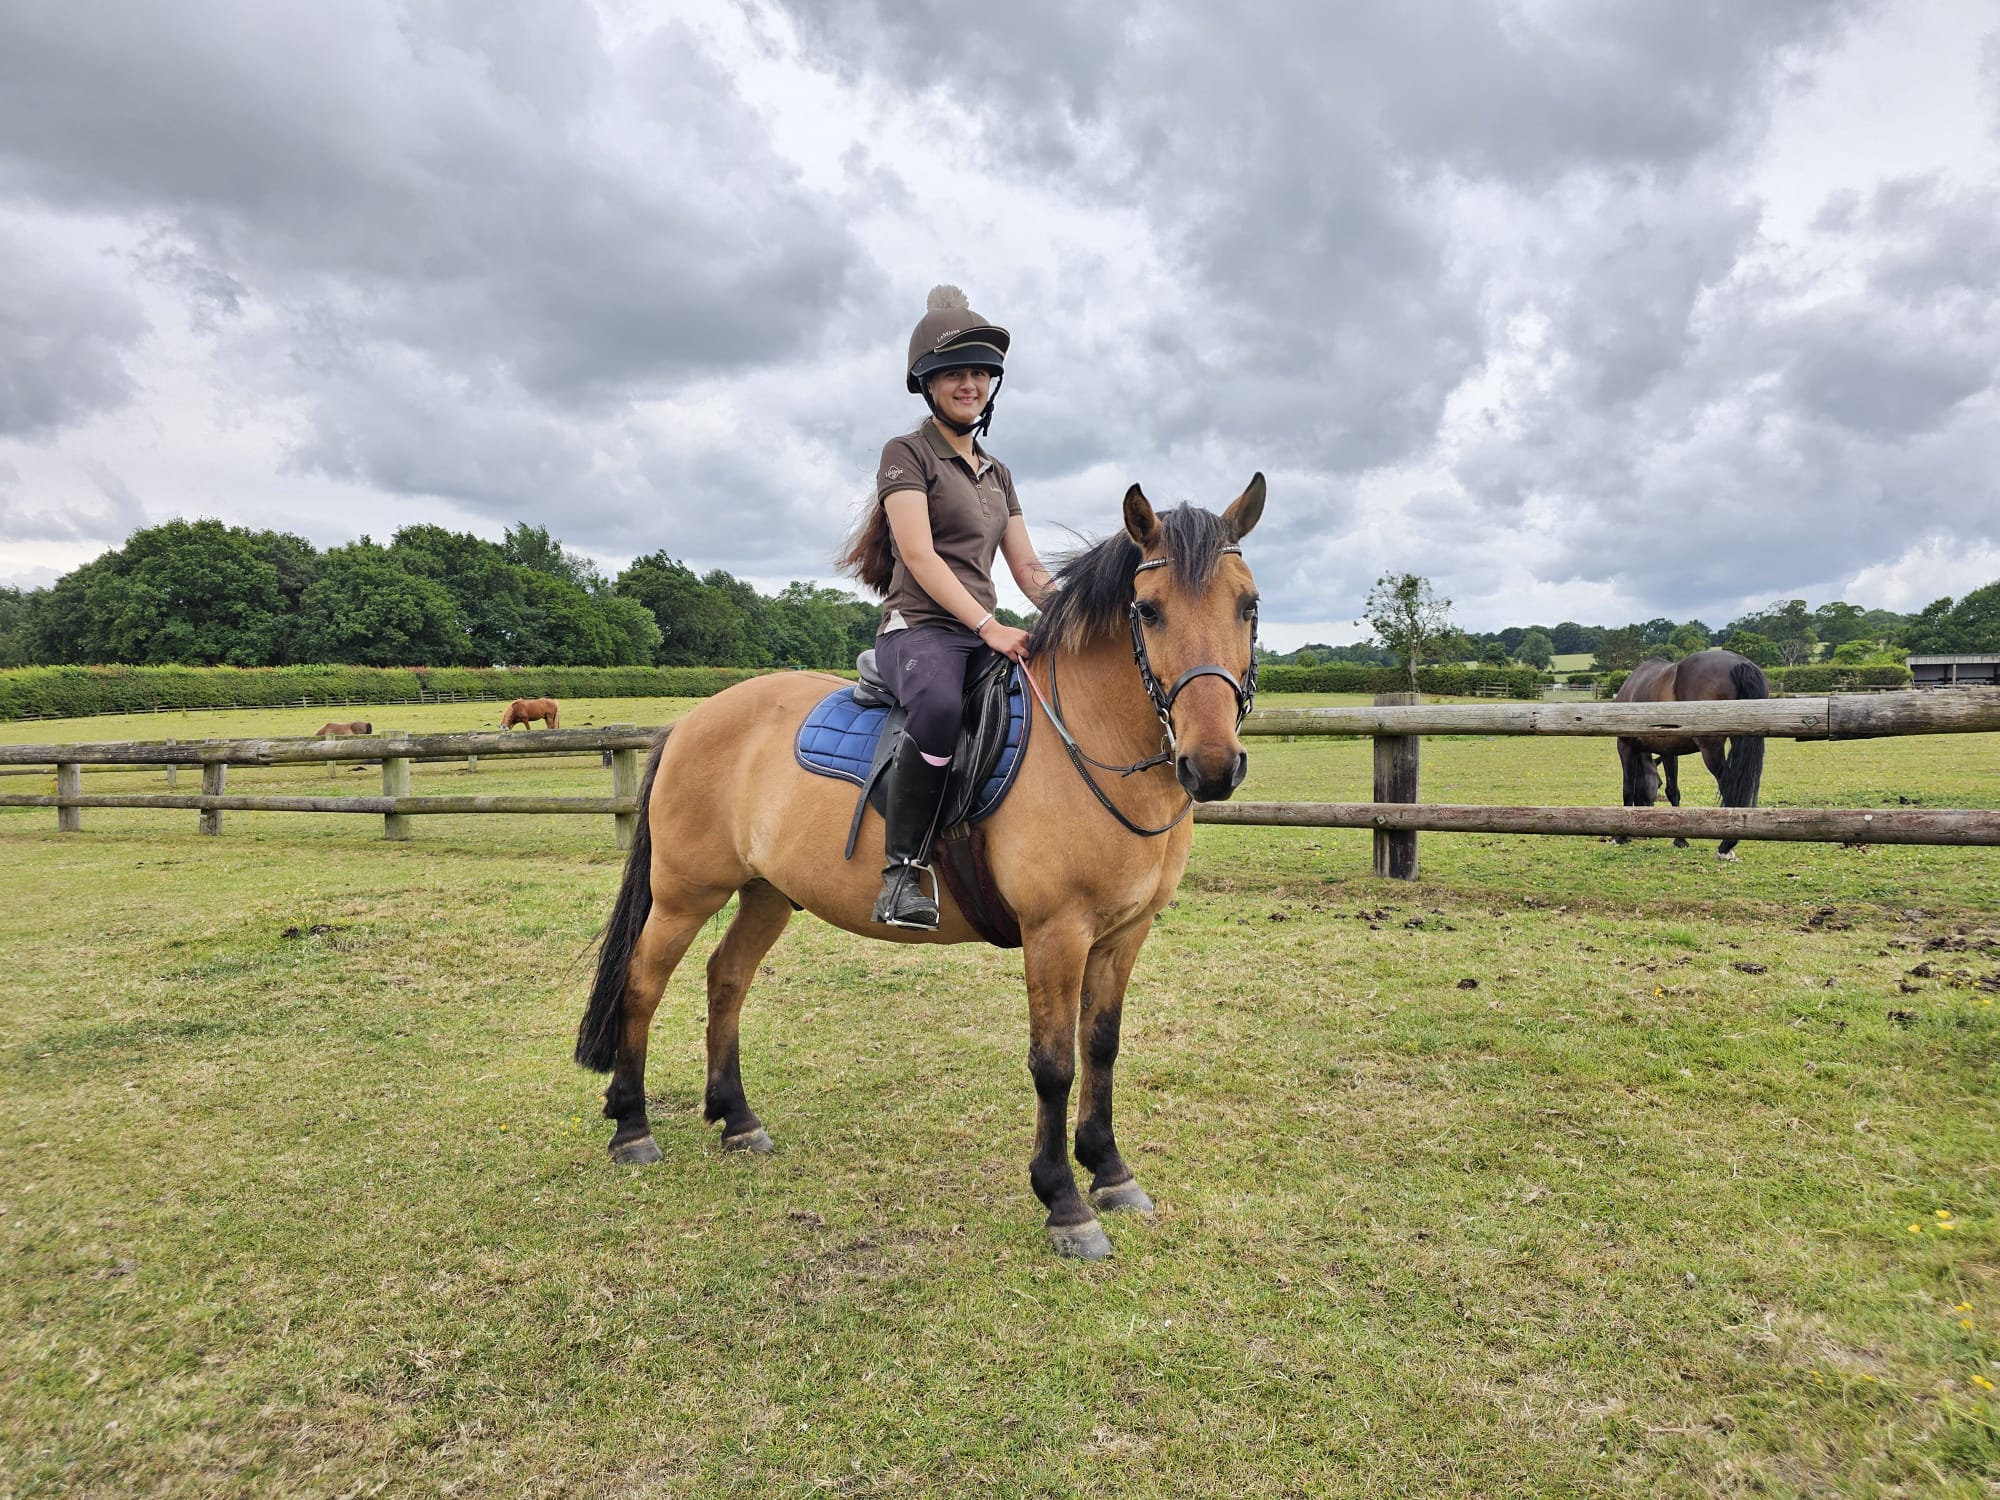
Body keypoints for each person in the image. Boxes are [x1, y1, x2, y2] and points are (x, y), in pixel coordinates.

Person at [836, 285, 1056, 929]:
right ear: (928, 385)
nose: (972, 384)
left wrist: (1077, 609)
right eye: (956, 373)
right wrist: (989, 626)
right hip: (921, 630)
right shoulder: (905, 455)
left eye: (982, 373)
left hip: (982, 633)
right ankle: (902, 870)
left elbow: (1027, 568)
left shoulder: (998, 471)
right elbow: (921, 557)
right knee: (937, 708)